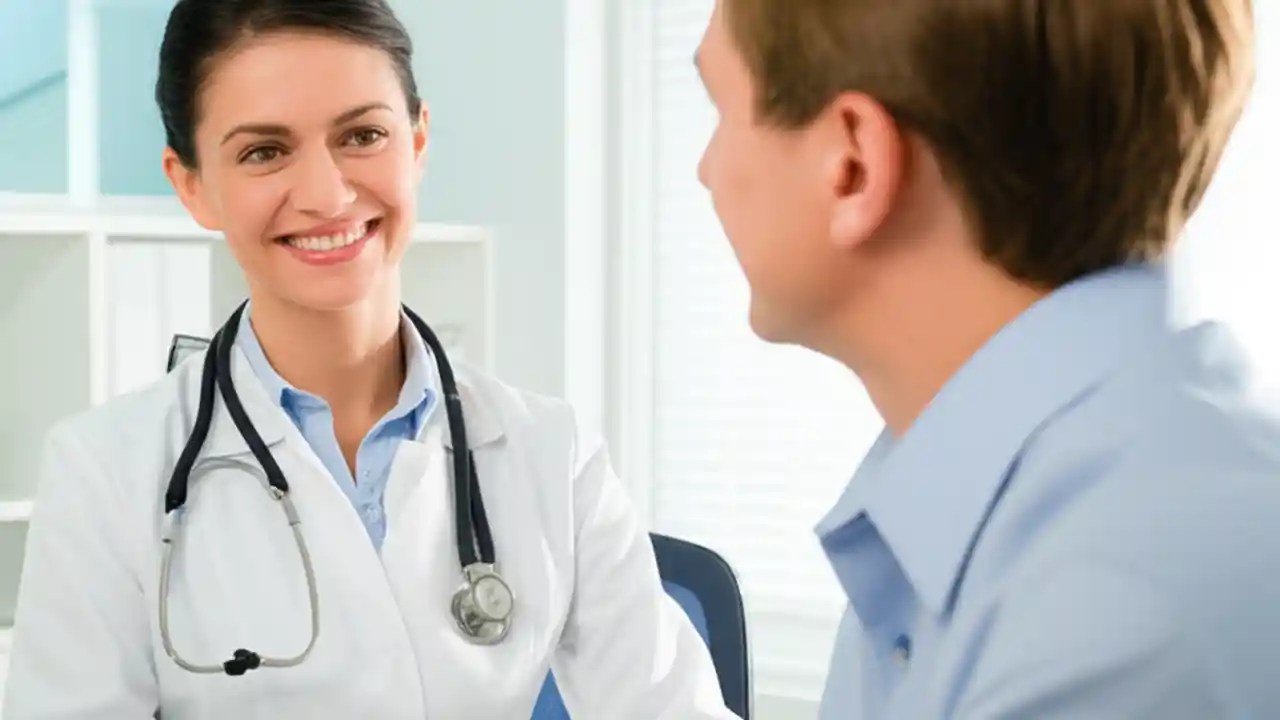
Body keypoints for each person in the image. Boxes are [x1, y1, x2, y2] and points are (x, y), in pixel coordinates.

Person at [3, 2, 736, 718]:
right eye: (264, 151)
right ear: (192, 185)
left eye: (362, 135)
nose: (326, 194)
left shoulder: (551, 453)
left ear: (417, 142)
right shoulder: (105, 474)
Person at [694, 0, 1280, 718]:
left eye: (720, 110)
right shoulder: (960, 522)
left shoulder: (1113, 612)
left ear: (852, 165)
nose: (705, 171)